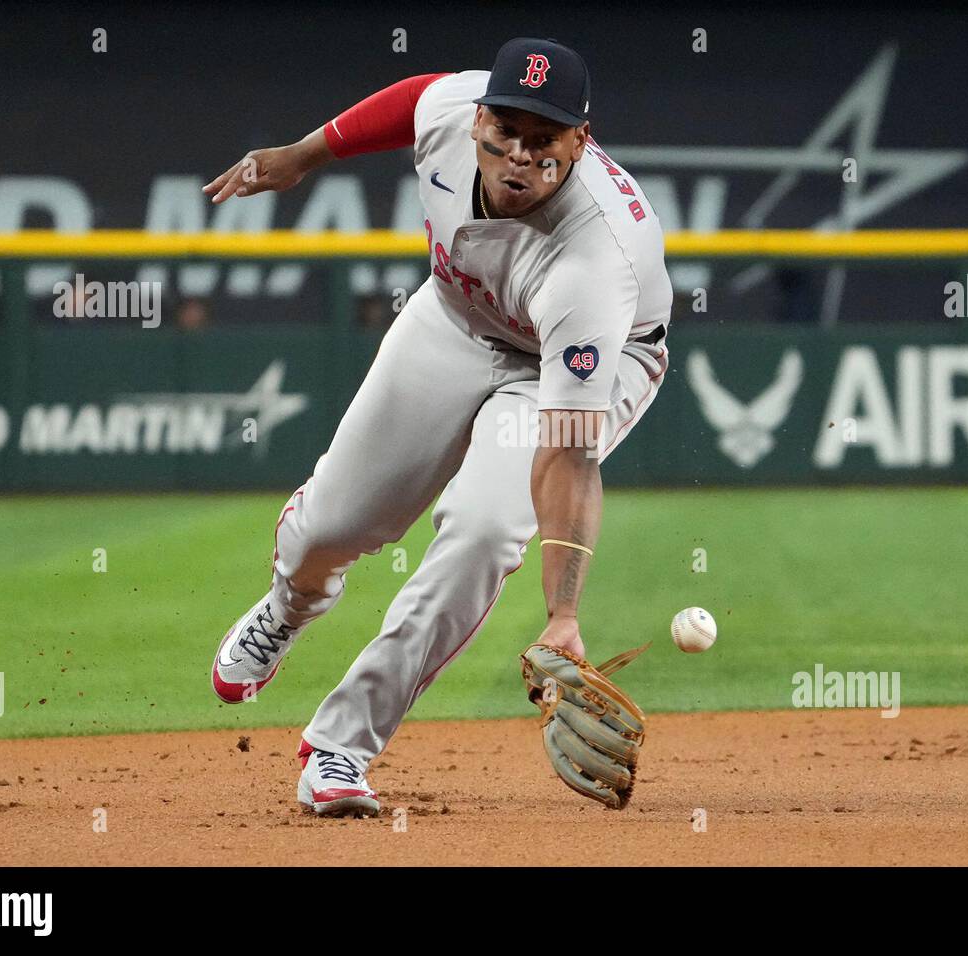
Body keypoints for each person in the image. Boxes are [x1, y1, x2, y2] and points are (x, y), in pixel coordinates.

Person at [202, 37, 672, 816]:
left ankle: (340, 748)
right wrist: (302, 154)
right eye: (505, 129)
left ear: (580, 142)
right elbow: (412, 96)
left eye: (544, 138)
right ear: (479, 116)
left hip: (578, 366)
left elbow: (567, 456)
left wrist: (563, 613)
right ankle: (289, 606)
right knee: (335, 525)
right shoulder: (452, 112)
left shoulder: (598, 259)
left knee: (485, 531)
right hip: (454, 322)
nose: (519, 155)